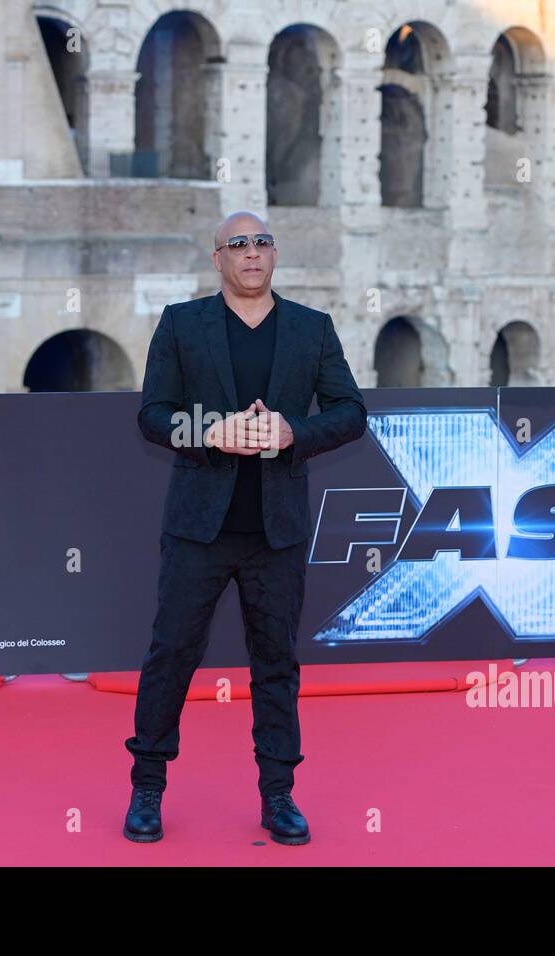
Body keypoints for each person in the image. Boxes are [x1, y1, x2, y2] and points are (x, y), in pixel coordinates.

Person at [122, 210, 367, 845]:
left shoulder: (313, 329)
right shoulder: (183, 324)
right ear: (218, 260)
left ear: (274, 255)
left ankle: (279, 795)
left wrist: (293, 434)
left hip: (276, 529)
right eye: (238, 244)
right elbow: (152, 416)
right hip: (198, 528)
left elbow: (350, 414)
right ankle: (147, 787)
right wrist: (209, 431)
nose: (252, 253)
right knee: (171, 654)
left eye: (261, 243)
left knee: (277, 664)